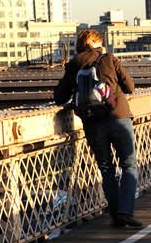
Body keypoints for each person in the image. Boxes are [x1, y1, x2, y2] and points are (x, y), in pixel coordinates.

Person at [55, 28, 142, 228]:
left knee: (106, 169)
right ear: (95, 44)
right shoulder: (109, 59)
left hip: (92, 124)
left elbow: (59, 96)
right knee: (129, 165)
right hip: (118, 117)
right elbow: (130, 87)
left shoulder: (73, 65)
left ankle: (115, 216)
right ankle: (126, 210)